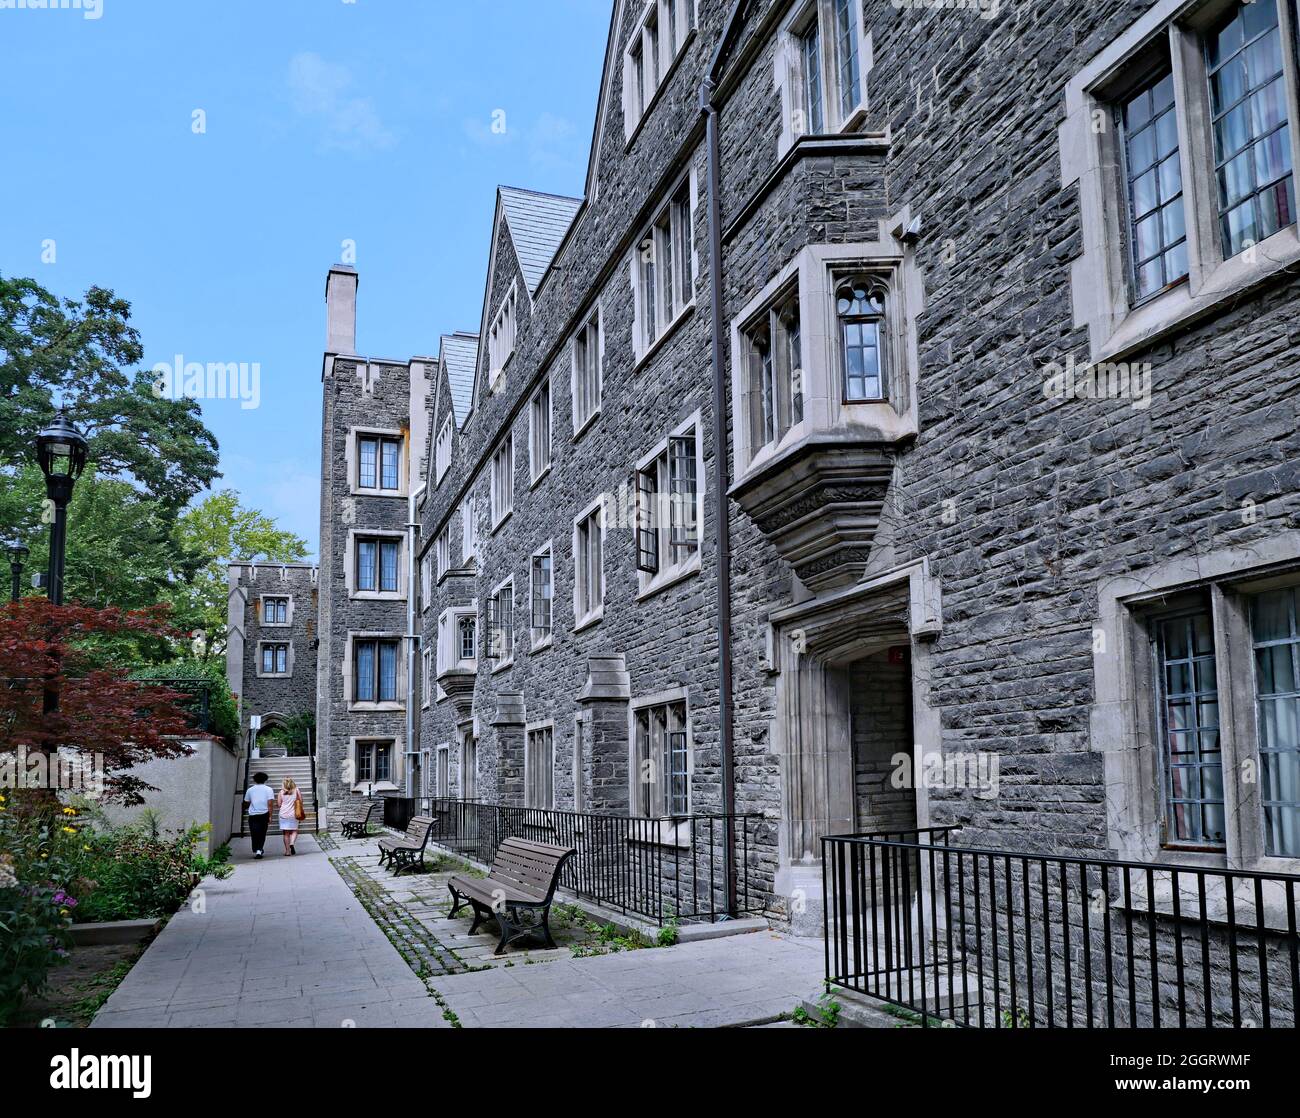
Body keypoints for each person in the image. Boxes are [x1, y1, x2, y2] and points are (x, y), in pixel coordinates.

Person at [244, 772, 275, 859]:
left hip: (253, 814)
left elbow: (246, 802)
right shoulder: (269, 789)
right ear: (265, 779)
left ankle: (256, 848)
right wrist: (270, 816)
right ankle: (259, 849)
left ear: (254, 780)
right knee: (262, 833)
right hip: (264, 814)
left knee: (254, 832)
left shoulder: (250, 790)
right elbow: (270, 804)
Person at [277, 777, 302, 856]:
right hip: (294, 814)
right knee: (295, 830)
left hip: (283, 814)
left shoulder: (281, 792)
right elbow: (300, 801)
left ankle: (287, 851)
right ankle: (292, 843)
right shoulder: (296, 790)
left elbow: (279, 804)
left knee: (286, 833)